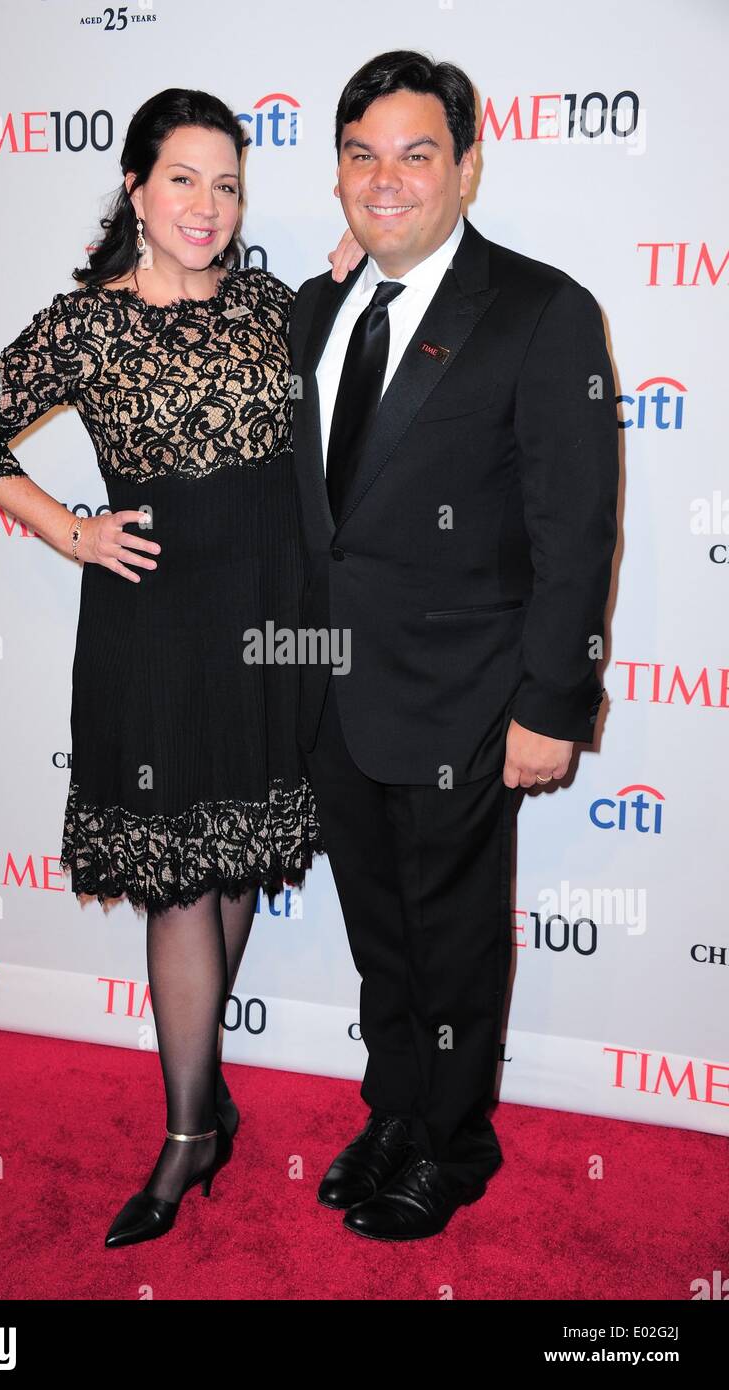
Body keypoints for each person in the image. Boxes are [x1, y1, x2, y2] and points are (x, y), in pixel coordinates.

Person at [0, 88, 360, 1249]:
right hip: (154, 632)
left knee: (228, 862)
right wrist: (72, 528)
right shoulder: (85, 325)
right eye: (184, 178)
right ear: (135, 186)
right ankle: (187, 1134)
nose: (208, 205)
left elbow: (365, 334)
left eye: (227, 184)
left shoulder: (274, 307)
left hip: (268, 626)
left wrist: (359, 251)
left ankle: (204, 1094)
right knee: (175, 878)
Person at [289, 51, 619, 1240]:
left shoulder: (542, 309)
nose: (387, 180)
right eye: (361, 155)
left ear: (467, 165)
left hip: (471, 701)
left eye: (417, 153)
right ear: (337, 174)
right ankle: (395, 1106)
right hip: (329, 695)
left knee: (455, 932)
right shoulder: (315, 308)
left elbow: (574, 528)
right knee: (381, 930)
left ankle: (454, 1137)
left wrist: (552, 702)